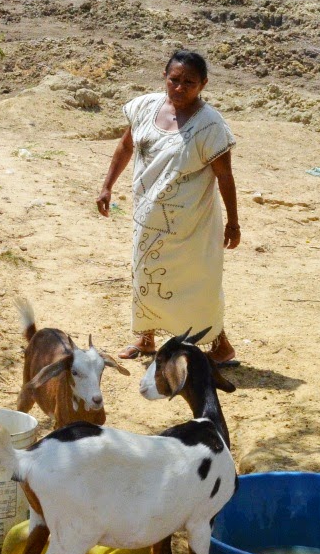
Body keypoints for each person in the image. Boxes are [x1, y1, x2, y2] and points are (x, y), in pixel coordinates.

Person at [96, 50, 240, 363]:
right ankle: (146, 337)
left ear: (203, 84)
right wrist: (107, 185)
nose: (179, 87)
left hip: (192, 222)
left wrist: (233, 223)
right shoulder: (146, 107)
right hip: (148, 216)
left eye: (189, 82)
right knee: (145, 273)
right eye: (174, 80)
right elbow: (126, 145)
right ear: (165, 77)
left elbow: (225, 176)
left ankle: (220, 345)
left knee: (198, 281)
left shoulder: (210, 125)